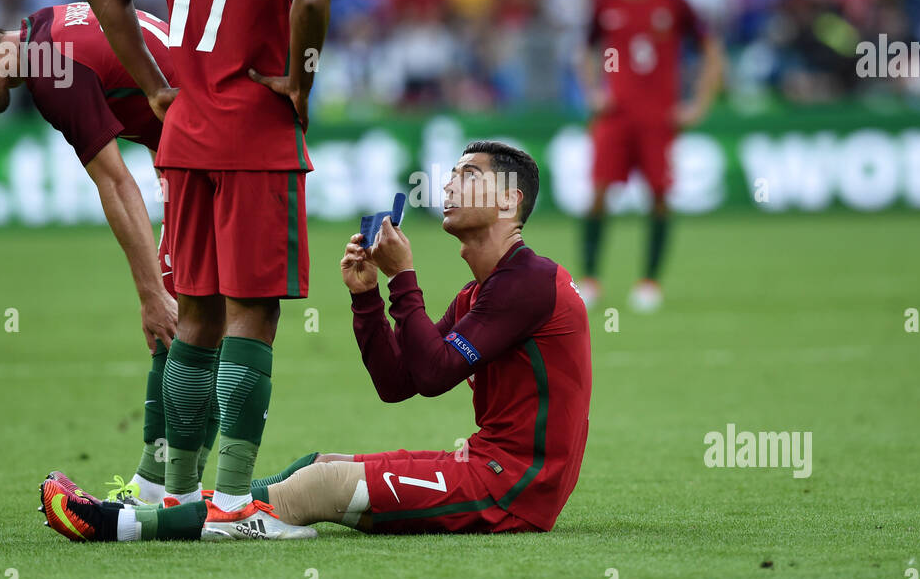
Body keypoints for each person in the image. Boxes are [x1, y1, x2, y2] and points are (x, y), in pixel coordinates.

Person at [39, 142, 593, 541]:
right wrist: (366, 299)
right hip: (495, 468)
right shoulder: (491, 290)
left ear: (509, 202)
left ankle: (116, 525)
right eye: (450, 172)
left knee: (319, 487)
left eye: (467, 174)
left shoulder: (529, 282)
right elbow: (400, 383)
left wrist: (403, 279)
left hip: (512, 487)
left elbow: (432, 374)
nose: (447, 184)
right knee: (318, 463)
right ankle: (205, 507)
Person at [84, 0, 336, 532]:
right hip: (255, 137)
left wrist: (157, 88)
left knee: (195, 315)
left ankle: (175, 494)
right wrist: (300, 78)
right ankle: (230, 504)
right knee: (250, 314)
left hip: (185, 140)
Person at [0, 2, 215, 504]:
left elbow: (115, 183)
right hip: (202, 143)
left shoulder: (54, 72)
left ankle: (167, 492)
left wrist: (149, 293)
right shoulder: (47, 26)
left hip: (213, 149)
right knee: (198, 325)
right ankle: (178, 488)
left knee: (176, 322)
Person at [579, 0, 723, 312]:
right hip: (616, 116)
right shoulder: (605, 3)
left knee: (659, 196)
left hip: (658, 119)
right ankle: (590, 278)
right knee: (597, 194)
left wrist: (699, 103)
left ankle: (649, 281)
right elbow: (584, 49)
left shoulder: (674, 4)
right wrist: (592, 91)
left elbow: (711, 50)